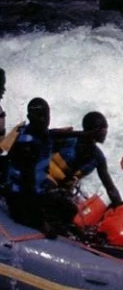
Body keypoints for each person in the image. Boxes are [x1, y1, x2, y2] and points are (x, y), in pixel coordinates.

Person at [3, 98, 77, 237]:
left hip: (35, 192)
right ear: (30, 117)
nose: (44, 120)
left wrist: (82, 134)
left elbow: (53, 133)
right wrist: (42, 224)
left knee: (69, 208)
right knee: (61, 216)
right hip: (19, 200)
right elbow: (27, 188)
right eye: (40, 116)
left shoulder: (42, 133)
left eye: (46, 115)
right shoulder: (27, 147)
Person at [48, 111, 122, 206]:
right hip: (43, 181)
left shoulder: (98, 158)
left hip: (61, 193)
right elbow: (46, 135)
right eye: (104, 128)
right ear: (95, 130)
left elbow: (110, 188)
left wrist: (121, 208)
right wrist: (82, 134)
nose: (106, 132)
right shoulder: (69, 140)